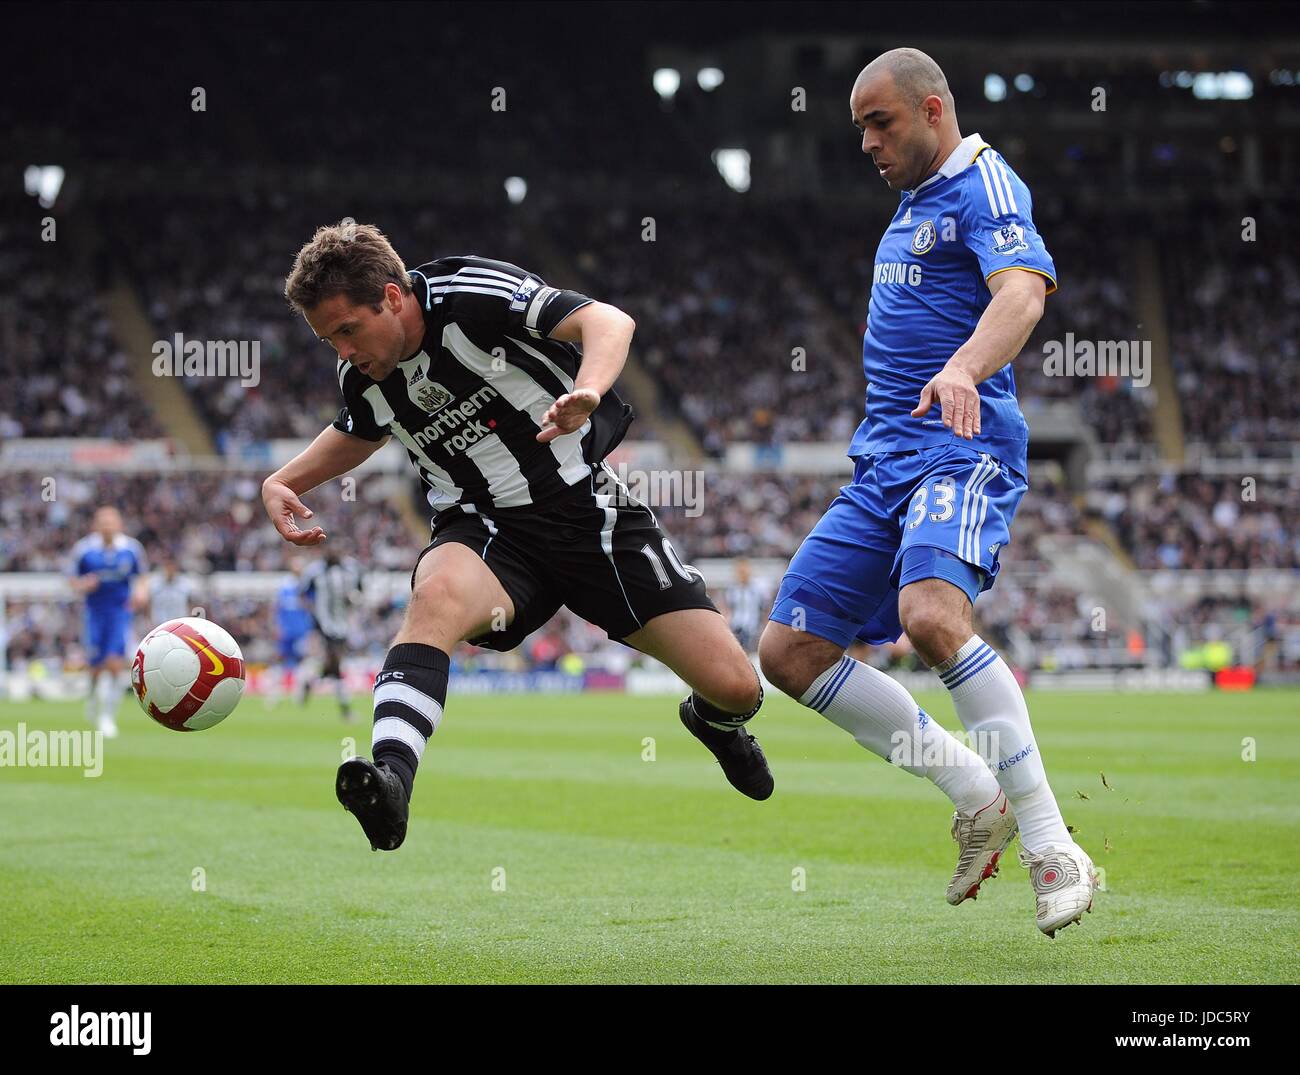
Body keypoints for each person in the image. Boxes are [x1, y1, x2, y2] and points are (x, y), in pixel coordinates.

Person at [262, 223, 771, 851]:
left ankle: (714, 723)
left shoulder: (470, 295)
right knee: (435, 595)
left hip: (588, 513)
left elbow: (608, 321)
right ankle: (390, 780)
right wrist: (283, 481)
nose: (343, 352)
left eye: (347, 330)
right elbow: (359, 428)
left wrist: (589, 389)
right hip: (486, 530)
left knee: (737, 688)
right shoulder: (365, 374)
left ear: (392, 297)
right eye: (328, 340)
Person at [758, 48, 1098, 937]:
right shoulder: (914, 202)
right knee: (789, 652)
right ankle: (974, 792)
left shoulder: (986, 183)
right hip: (883, 464)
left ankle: (1053, 844)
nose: (867, 143)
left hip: (960, 446)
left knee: (932, 616)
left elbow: (1022, 294)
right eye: (860, 128)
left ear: (933, 109)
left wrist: (963, 368)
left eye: (881, 123)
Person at [67, 506, 148, 738]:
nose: (107, 526)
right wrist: (83, 585)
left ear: (119, 524)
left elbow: (142, 577)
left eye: (111, 522)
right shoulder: (84, 550)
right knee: (95, 667)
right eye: (103, 522)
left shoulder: (131, 549)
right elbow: (70, 580)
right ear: (96, 525)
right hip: (93, 613)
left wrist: (141, 593)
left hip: (120, 613)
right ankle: (92, 700)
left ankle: (108, 716)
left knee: (114, 663)